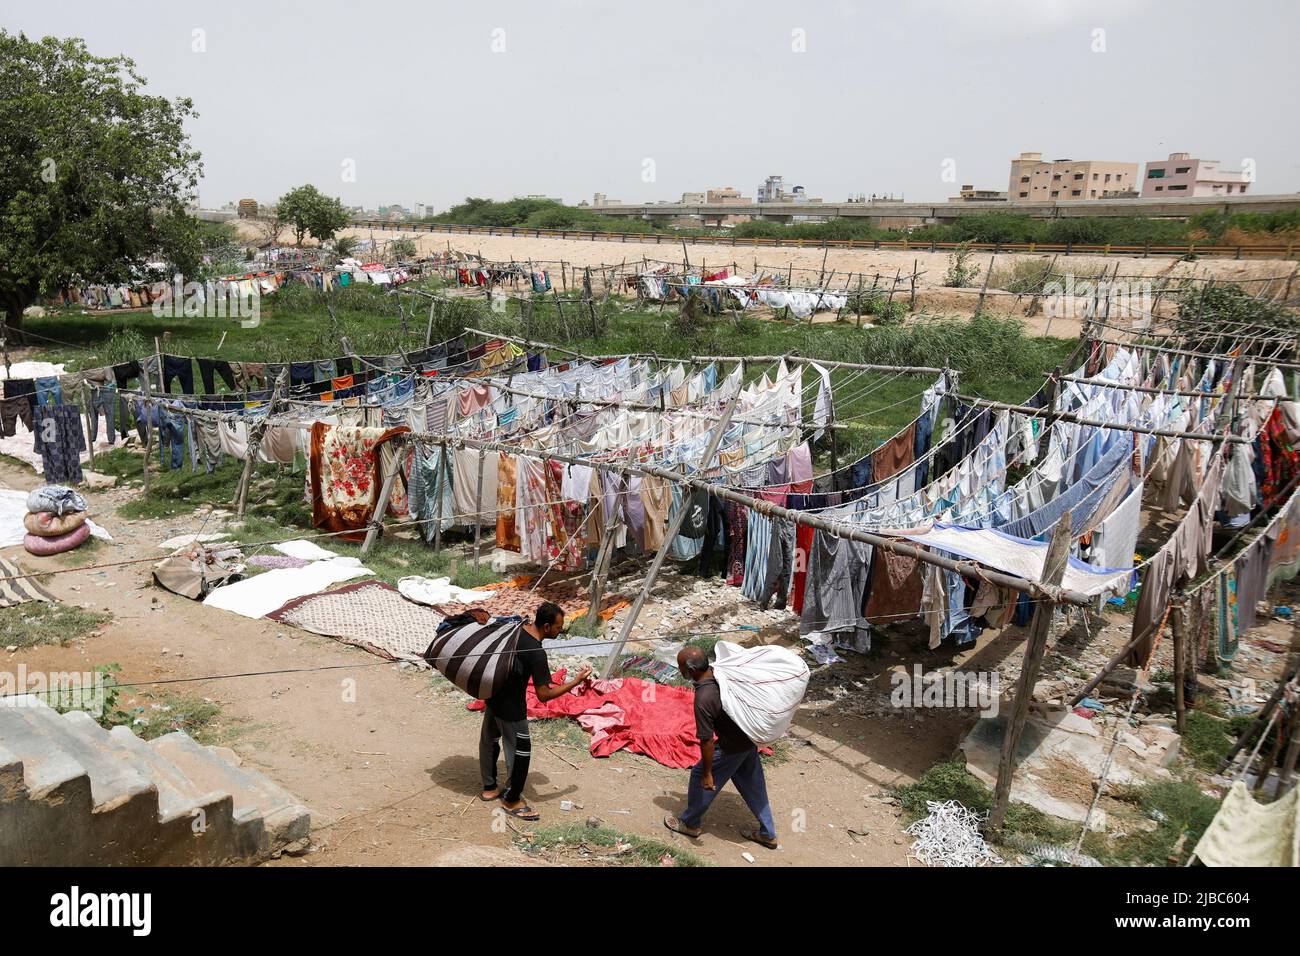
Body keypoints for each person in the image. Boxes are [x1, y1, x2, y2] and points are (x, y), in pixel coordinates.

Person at [479, 602, 590, 820]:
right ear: (546, 626)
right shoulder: (537, 653)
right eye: (558, 627)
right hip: (512, 709)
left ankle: (489, 788)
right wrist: (575, 682)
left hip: (493, 697)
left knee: (489, 741)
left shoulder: (517, 630)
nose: (560, 631)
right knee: (520, 753)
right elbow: (543, 695)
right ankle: (512, 800)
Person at [664, 646, 778, 849]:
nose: (680, 670)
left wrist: (708, 773)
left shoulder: (704, 697)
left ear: (691, 669)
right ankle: (768, 834)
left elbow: (706, 740)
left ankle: (690, 823)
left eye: (681, 667)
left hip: (731, 746)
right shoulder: (720, 673)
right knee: (753, 786)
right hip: (748, 738)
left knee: (699, 775)